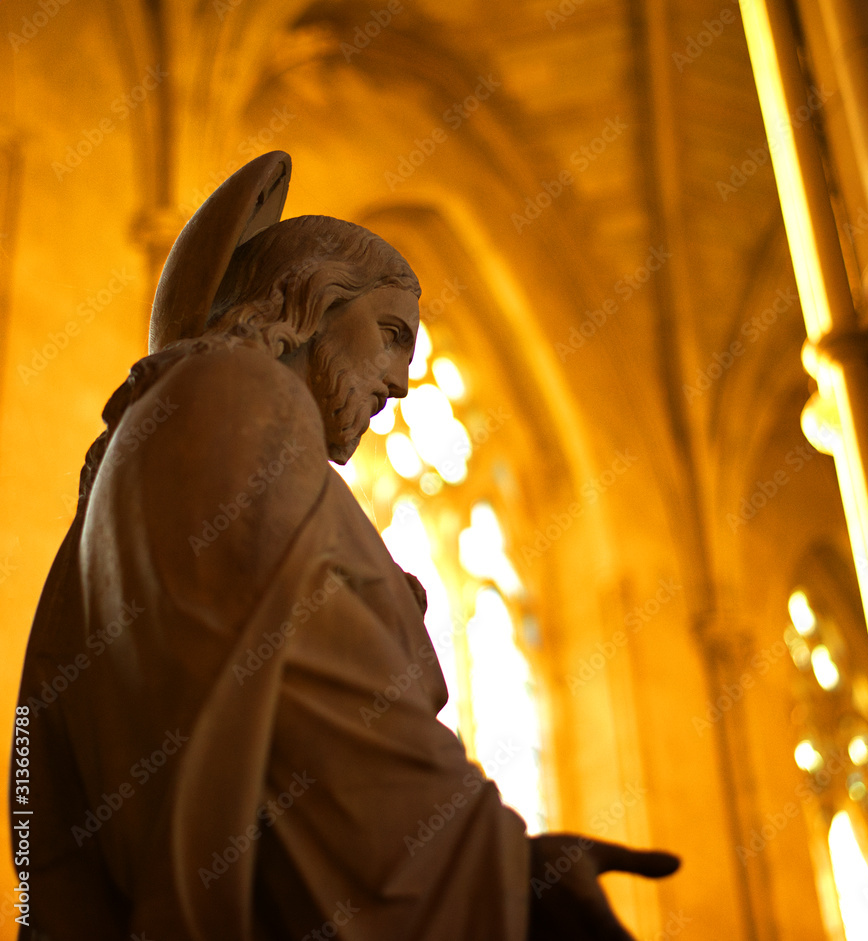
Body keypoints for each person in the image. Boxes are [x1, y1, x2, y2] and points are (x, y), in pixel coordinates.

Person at [11, 152, 679, 940]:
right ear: (303, 305)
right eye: (391, 334)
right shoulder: (238, 395)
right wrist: (503, 879)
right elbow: (315, 723)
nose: (400, 384)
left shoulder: (180, 422)